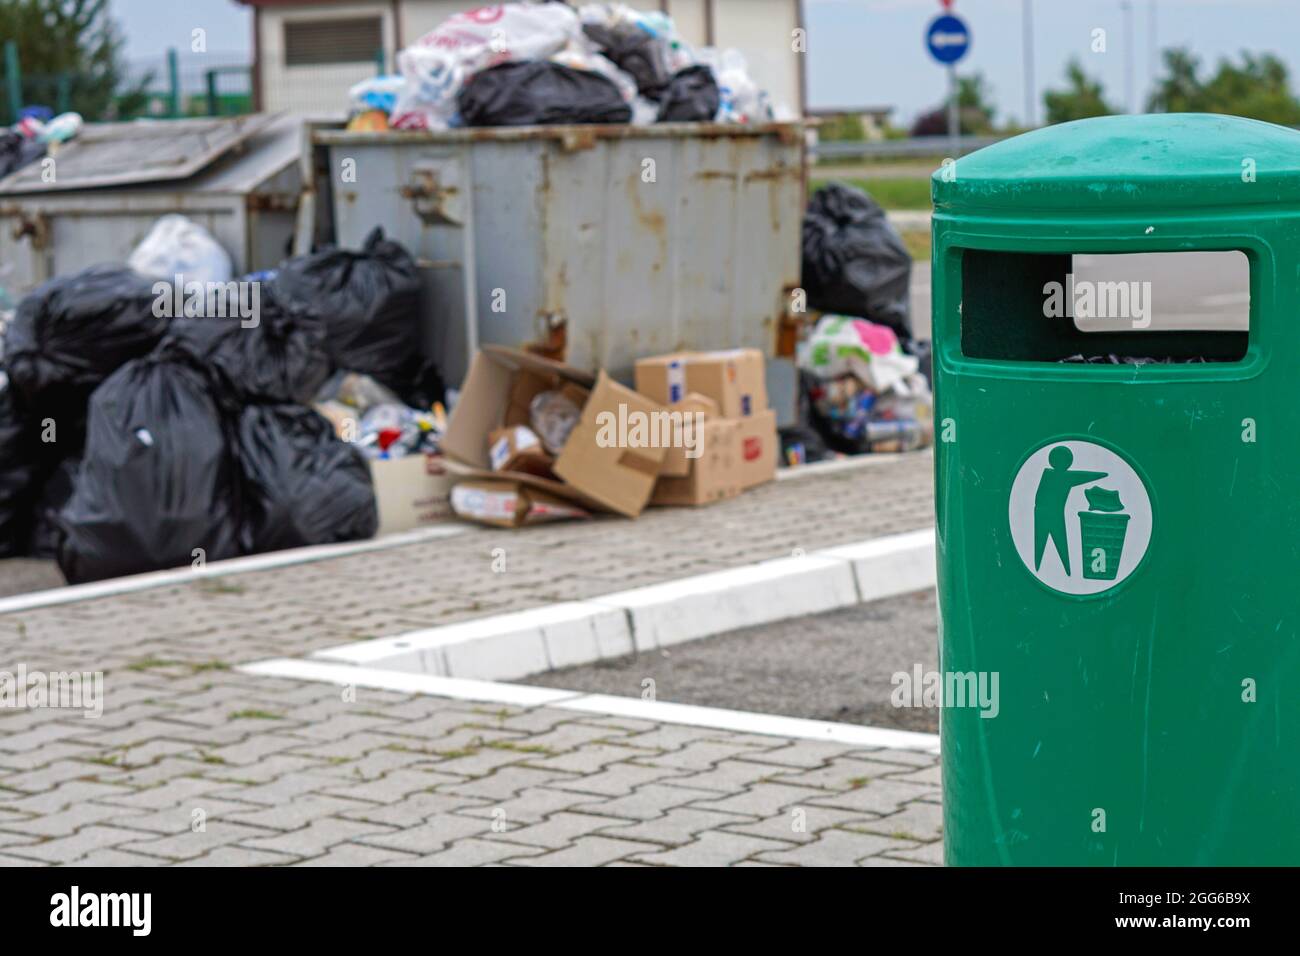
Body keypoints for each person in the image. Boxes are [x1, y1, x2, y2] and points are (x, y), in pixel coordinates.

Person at [1033, 446, 1106, 576]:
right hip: (1046, 513)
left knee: (1057, 546)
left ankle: (1065, 570)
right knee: (1050, 544)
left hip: (1047, 512)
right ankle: (1059, 570)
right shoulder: (1056, 475)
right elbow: (1081, 476)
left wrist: (1102, 475)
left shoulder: (1050, 475)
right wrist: (1102, 474)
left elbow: (1081, 476)